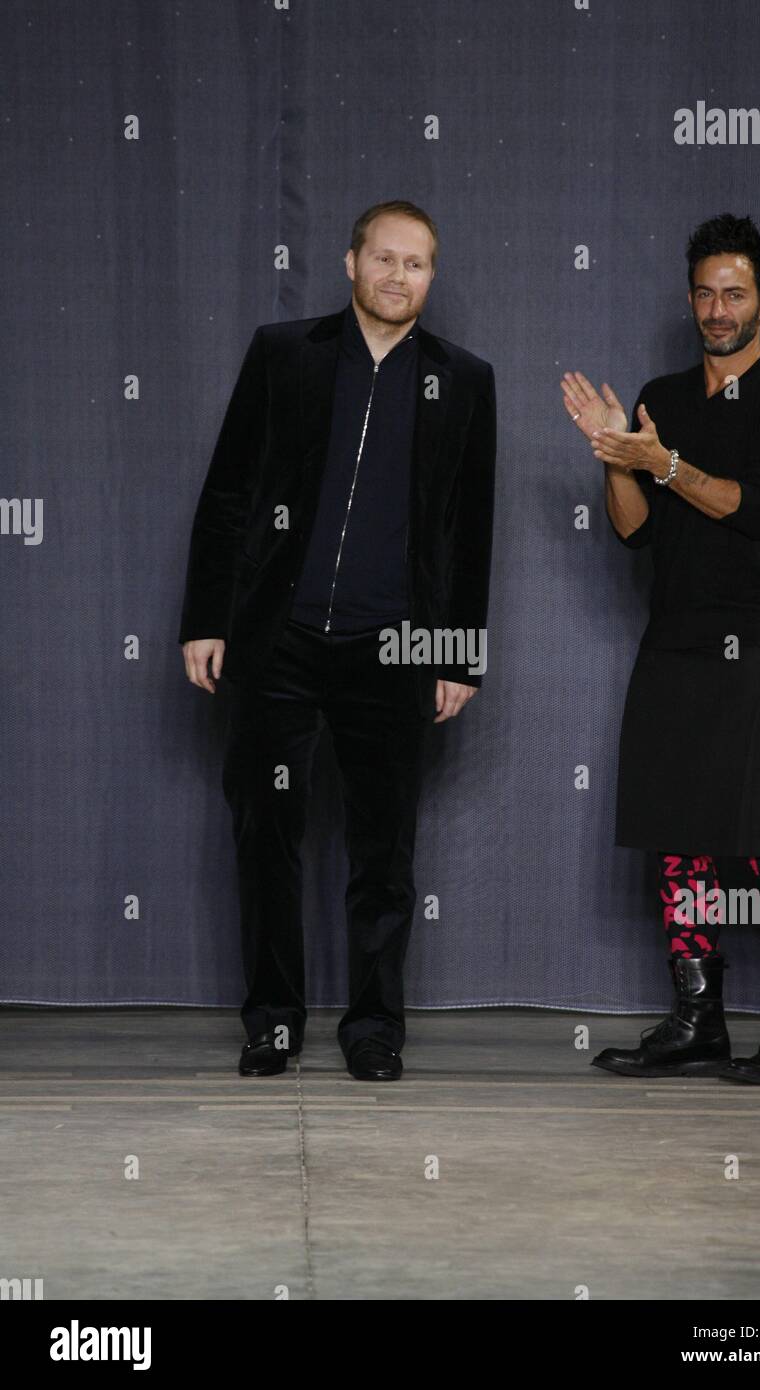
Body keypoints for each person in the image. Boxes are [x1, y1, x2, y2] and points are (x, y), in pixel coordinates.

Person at [179, 200, 496, 1081]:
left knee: (383, 850)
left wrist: (458, 653)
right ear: (350, 263)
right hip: (278, 641)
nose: (400, 276)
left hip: (393, 650)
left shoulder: (464, 380)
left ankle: (373, 1029)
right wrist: (207, 618)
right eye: (385, 259)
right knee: (266, 834)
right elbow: (228, 493)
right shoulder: (285, 354)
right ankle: (273, 1022)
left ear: (433, 276)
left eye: (418, 263)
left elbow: (470, 532)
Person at [560, 213, 760, 1085]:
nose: (717, 309)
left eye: (734, 292)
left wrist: (663, 461)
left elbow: (756, 509)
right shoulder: (663, 395)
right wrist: (617, 457)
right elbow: (634, 536)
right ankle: (698, 1020)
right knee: (679, 842)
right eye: (704, 293)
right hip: (673, 644)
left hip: (757, 646)